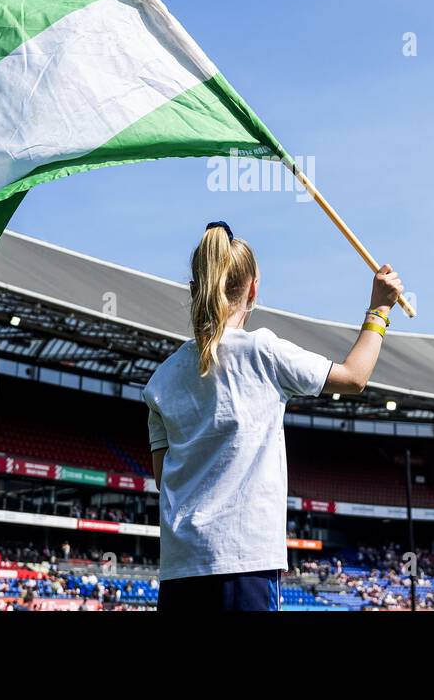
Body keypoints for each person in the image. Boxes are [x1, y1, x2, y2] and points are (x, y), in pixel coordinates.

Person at [145, 220, 403, 612]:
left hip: (180, 567)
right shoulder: (263, 352)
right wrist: (380, 308)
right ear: (253, 289)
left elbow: (166, 480)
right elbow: (354, 377)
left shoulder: (160, 380)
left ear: (195, 287)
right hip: (243, 560)